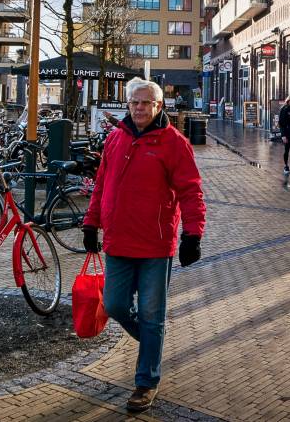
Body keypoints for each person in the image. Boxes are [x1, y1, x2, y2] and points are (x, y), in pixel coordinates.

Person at [82, 78, 206, 413]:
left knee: (152, 315)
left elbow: (191, 191)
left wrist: (192, 234)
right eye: (134, 102)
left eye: (146, 103)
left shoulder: (174, 143)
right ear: (128, 105)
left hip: (155, 244)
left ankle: (145, 381)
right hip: (118, 241)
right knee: (115, 305)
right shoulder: (115, 138)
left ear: (159, 106)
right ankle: (153, 341)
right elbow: (101, 185)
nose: (139, 108)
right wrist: (90, 222)